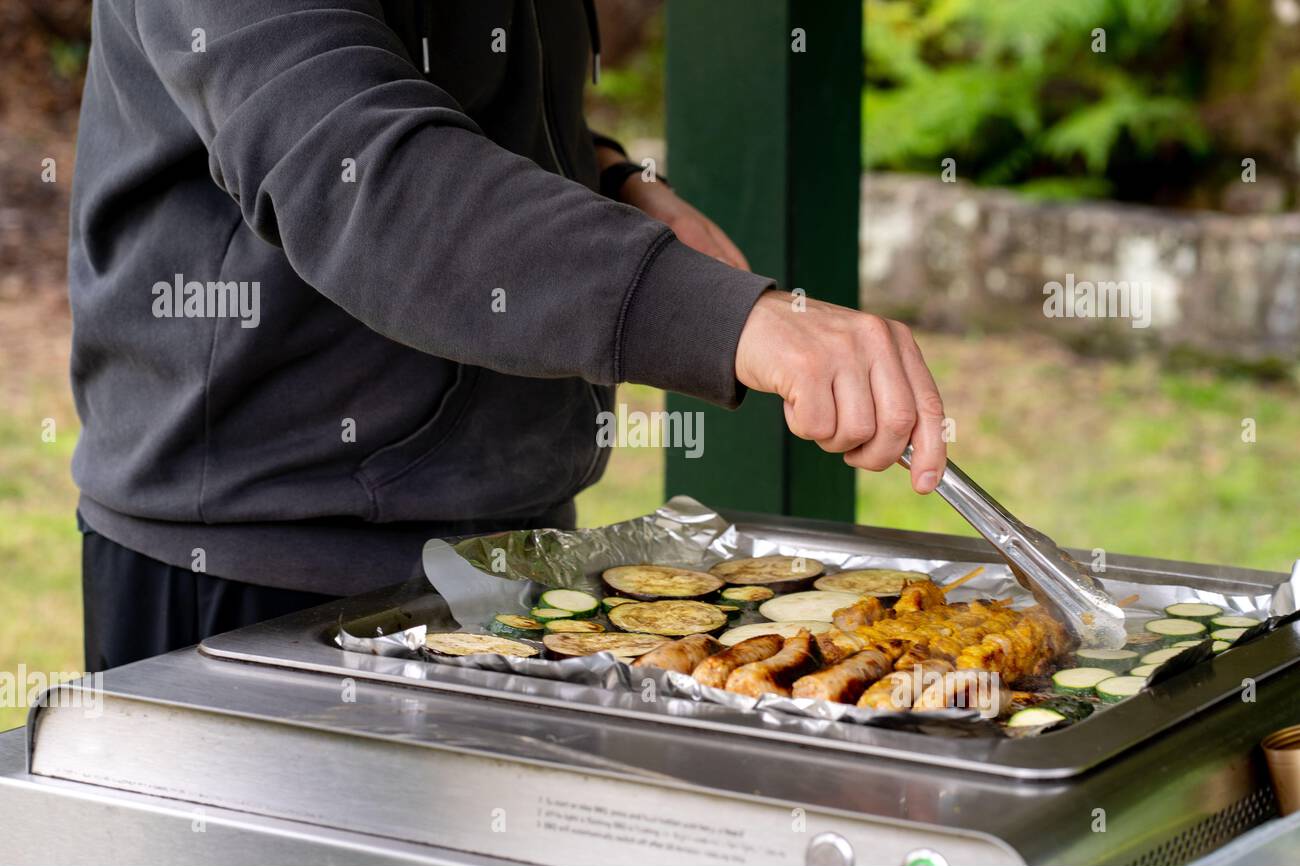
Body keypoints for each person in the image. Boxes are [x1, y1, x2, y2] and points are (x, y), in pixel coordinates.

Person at [70, 0, 947, 671]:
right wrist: (724, 318)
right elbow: (355, 174)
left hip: (508, 547)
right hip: (254, 570)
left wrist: (610, 176)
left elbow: (470, 88)